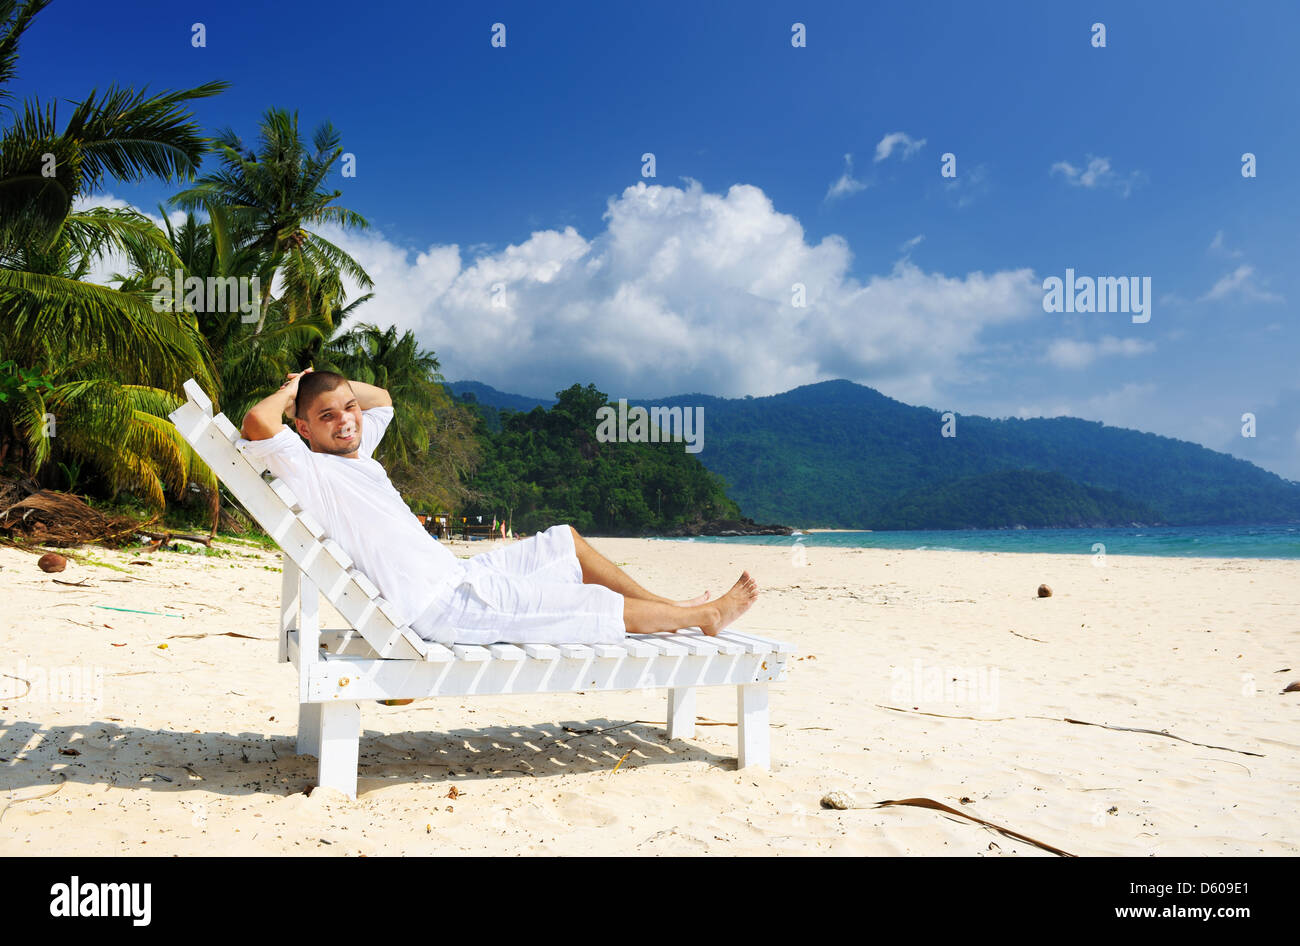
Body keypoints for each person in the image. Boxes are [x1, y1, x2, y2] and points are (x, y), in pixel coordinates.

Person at [238, 368, 758, 648]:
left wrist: (329, 383)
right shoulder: (310, 468)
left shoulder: (355, 452)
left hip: (460, 577)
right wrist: (291, 391)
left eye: (348, 408)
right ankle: (704, 615)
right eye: (327, 416)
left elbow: (385, 400)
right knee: (585, 607)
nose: (347, 420)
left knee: (565, 542)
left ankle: (677, 608)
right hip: (445, 605)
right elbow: (256, 423)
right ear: (303, 428)